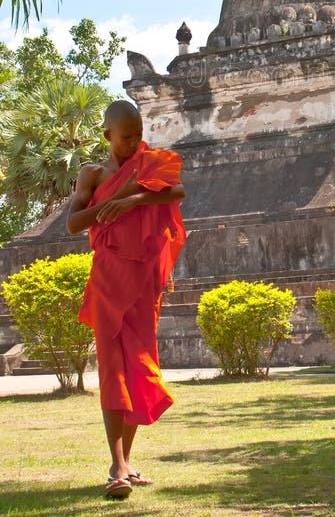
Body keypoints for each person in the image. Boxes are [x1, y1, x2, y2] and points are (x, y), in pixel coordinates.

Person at [67, 100, 186, 500]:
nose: (134, 142)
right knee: (112, 370)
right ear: (107, 135)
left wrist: (133, 198)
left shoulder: (150, 162)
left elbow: (177, 190)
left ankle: (127, 462)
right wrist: (110, 205)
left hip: (143, 282)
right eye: (125, 137)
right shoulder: (93, 173)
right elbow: (73, 223)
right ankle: (116, 465)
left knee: (139, 368)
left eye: (138, 134)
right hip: (108, 280)